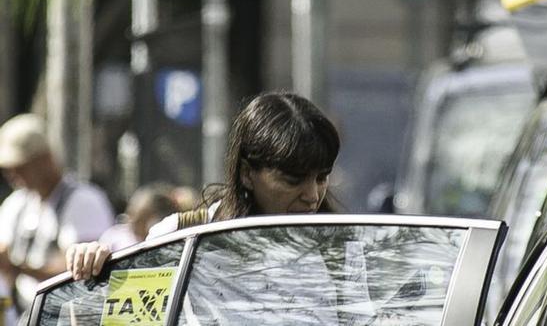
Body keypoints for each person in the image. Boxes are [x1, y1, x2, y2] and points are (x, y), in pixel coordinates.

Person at [67, 91, 341, 280]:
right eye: (292, 180)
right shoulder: (179, 238)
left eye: (321, 178)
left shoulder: (341, 251)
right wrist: (98, 267)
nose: (312, 195)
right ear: (246, 173)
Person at [0, 113, 116, 314]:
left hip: (64, 316)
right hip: (19, 314)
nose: (13, 175)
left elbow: (81, 274)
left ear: (45, 159)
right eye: (9, 169)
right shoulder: (16, 203)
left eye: (21, 166)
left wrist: (18, 266)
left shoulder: (85, 201)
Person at [98, 183, 179, 251]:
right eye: (131, 213)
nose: (132, 221)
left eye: (142, 219)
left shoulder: (167, 241)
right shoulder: (113, 238)